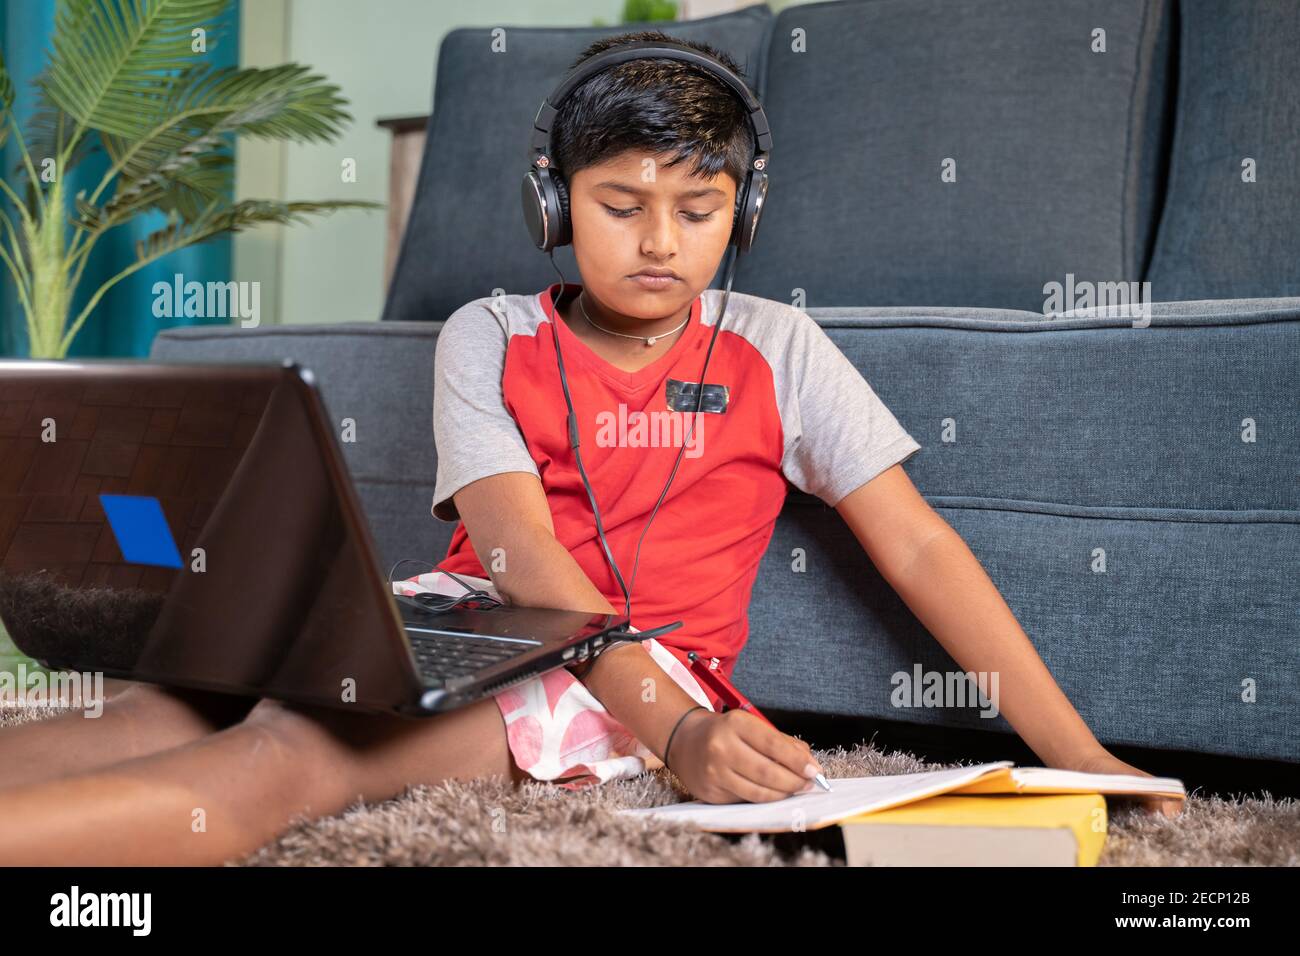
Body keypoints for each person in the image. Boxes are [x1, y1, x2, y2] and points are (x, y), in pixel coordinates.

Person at [0, 31, 1178, 868]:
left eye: (700, 209)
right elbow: (514, 556)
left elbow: (918, 548)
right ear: (554, 205)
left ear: (744, 212)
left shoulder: (781, 348)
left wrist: (1082, 758)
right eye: (620, 206)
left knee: (285, 758)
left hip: (613, 685)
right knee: (156, 711)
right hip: (455, 614)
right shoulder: (490, 334)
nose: (661, 242)